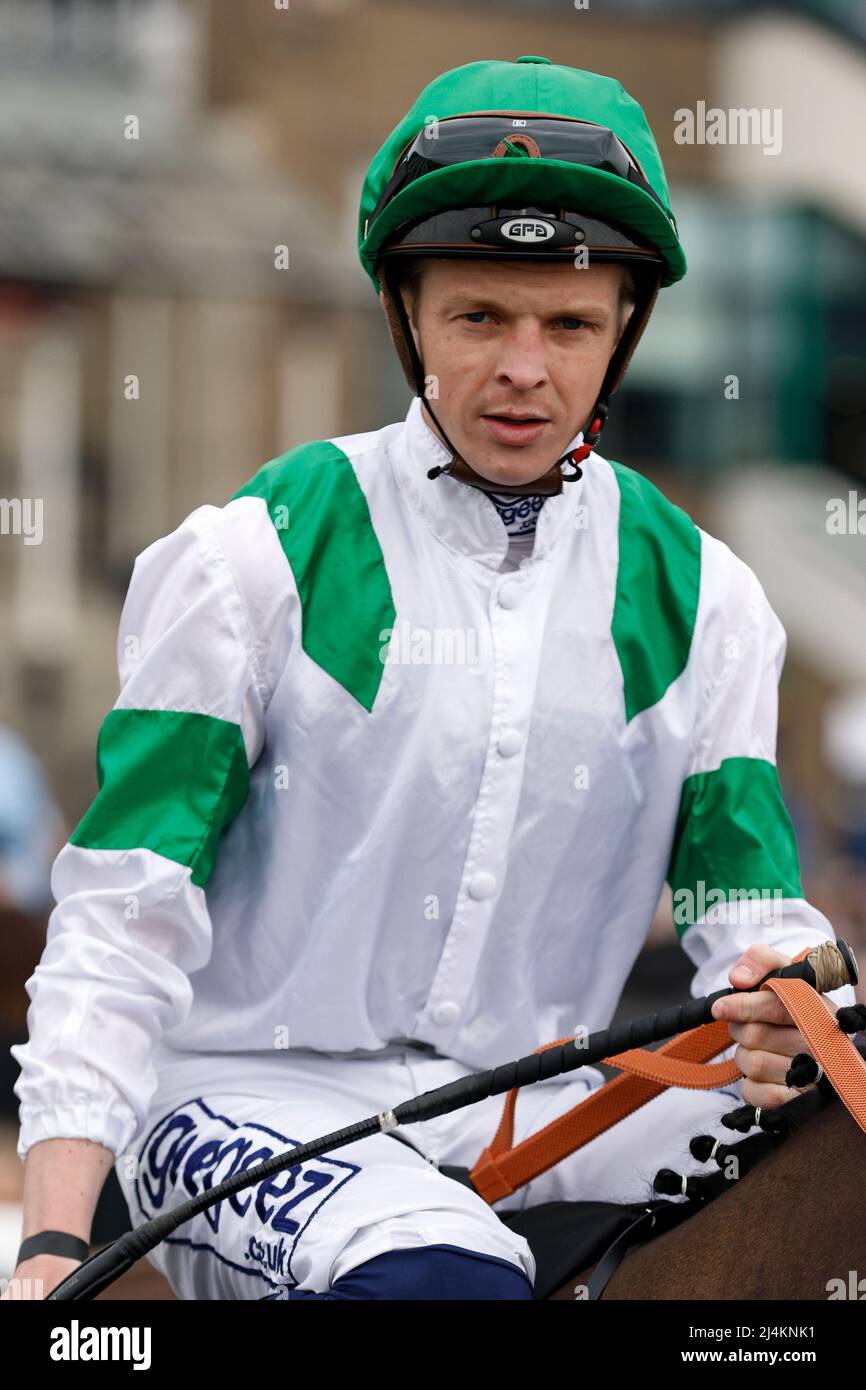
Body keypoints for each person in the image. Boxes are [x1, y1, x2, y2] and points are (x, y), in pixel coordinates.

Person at [5, 56, 856, 1303]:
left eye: (566, 323)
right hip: (249, 1100)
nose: (524, 367)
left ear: (624, 328)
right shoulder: (255, 555)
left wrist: (791, 978)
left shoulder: (708, 597)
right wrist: (49, 1242)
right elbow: (117, 923)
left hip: (546, 1106)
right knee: (440, 1290)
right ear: (406, 316)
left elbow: (751, 910)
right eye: (478, 319)